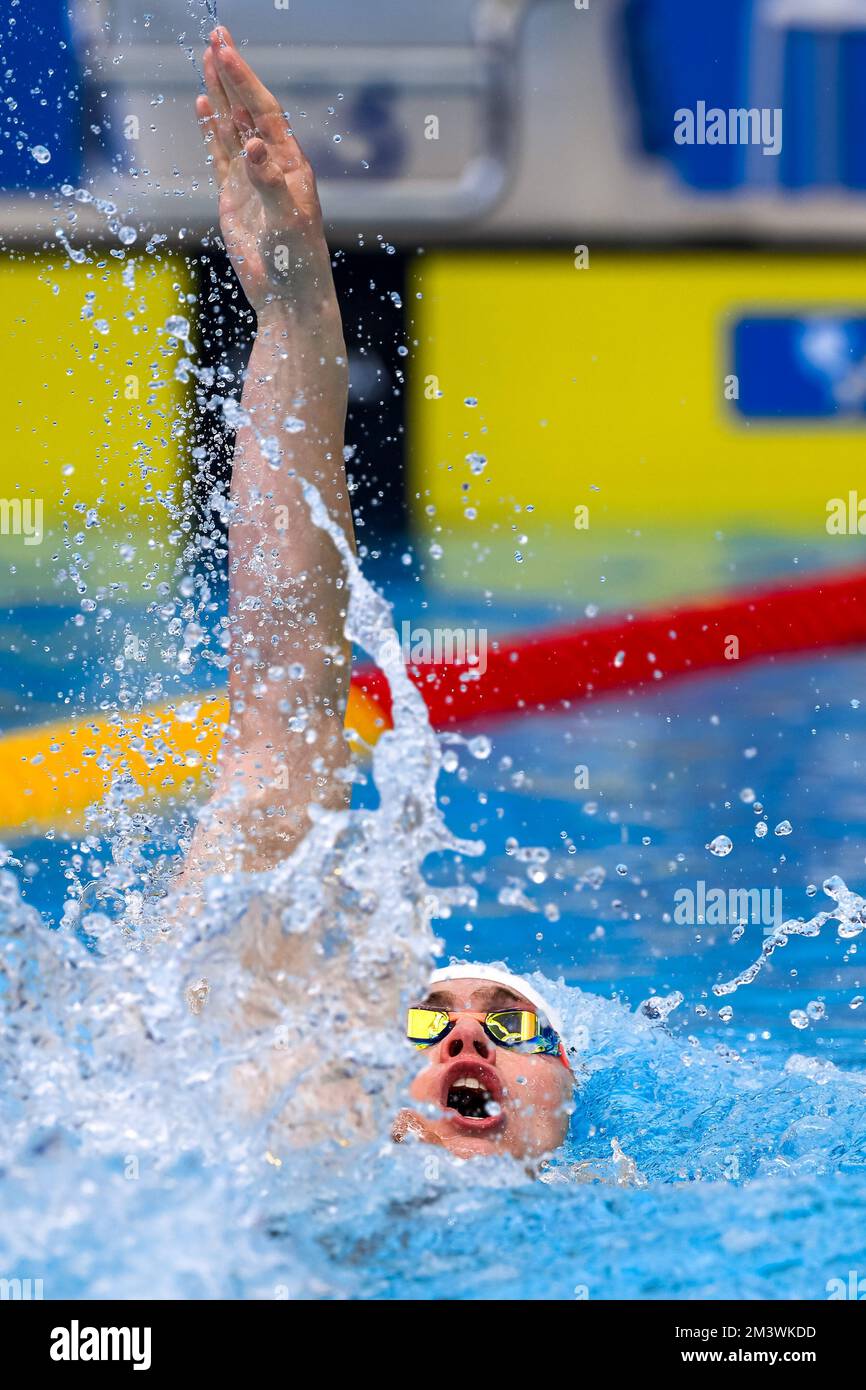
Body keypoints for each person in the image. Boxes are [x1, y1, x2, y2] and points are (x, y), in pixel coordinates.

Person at [175, 27, 573, 1163]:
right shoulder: (296, 1122)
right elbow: (285, 699)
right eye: (426, 1019)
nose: (463, 1045)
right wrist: (297, 307)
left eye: (509, 1025)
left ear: (568, 1084)